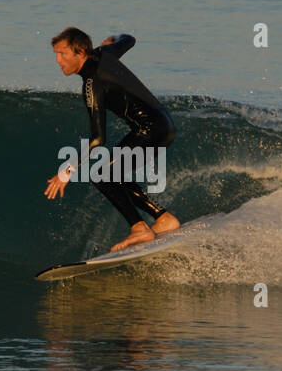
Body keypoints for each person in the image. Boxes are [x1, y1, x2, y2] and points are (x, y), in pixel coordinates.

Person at [44, 27, 180, 251]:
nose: (58, 60)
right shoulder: (104, 53)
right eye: (56, 54)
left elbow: (98, 139)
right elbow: (128, 39)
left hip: (149, 129)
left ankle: (139, 228)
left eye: (62, 54)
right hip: (165, 125)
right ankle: (163, 218)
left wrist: (67, 169)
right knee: (113, 173)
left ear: (80, 52)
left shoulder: (91, 82)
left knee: (101, 175)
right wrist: (111, 41)